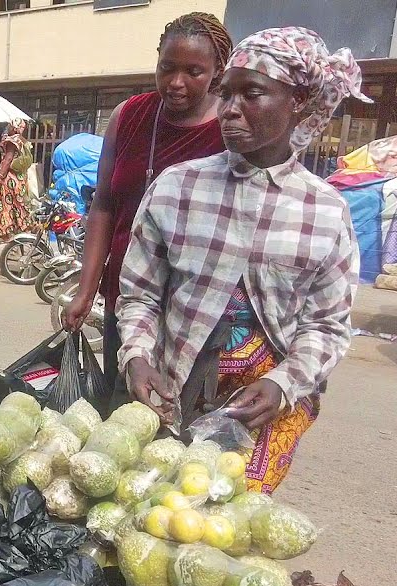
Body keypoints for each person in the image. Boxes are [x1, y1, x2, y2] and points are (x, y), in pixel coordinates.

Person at [118, 27, 367, 495]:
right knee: (152, 522)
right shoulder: (177, 188)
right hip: (172, 394)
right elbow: (140, 294)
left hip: (267, 408)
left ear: (299, 101)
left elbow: (328, 326)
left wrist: (285, 383)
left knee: (229, 536)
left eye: (252, 94)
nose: (230, 110)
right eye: (225, 94)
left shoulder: (326, 211)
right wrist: (136, 355)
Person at [62, 12, 234, 409]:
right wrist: (86, 291)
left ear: (216, 72)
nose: (176, 82)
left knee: (177, 418)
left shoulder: (229, 129)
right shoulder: (129, 116)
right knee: (121, 407)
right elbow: (104, 204)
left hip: (196, 306)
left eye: (194, 71)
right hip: (126, 297)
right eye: (167, 67)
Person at [0, 119, 36, 240]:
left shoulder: (12, 141)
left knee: (6, 205)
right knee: (19, 204)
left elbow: (8, 159)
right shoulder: (23, 140)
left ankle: (8, 234)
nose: (8, 128)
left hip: (10, 178)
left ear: (14, 127)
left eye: (10, 126)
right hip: (20, 178)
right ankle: (23, 229)